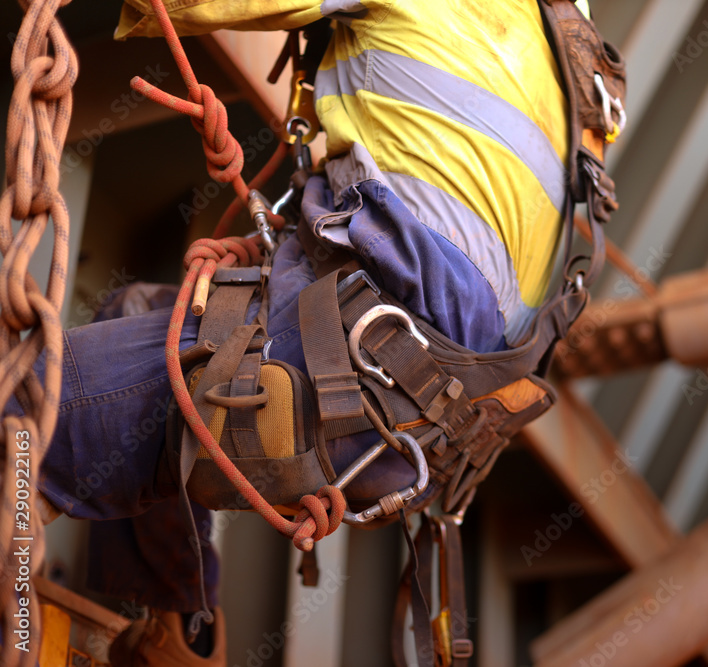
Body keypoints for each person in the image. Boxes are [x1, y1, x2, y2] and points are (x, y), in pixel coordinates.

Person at [5, 0, 593, 664]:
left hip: (342, 366)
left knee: (22, 410)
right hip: (415, 422)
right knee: (134, 306)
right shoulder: (562, 70)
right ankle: (177, 632)